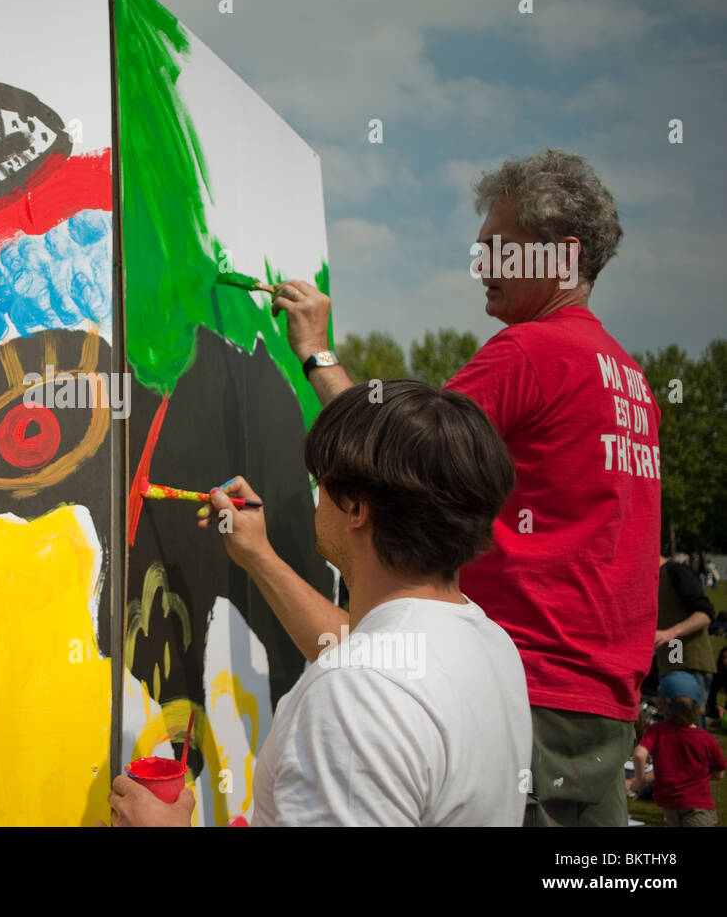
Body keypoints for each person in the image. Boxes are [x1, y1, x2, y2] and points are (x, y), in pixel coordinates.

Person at [268, 149, 661, 826]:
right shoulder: (627, 376)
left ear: (559, 256)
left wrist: (315, 351)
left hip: (531, 686)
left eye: (497, 249)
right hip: (601, 700)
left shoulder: (532, 351)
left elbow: (395, 445)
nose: (480, 267)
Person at [107, 381, 531, 826]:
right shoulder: (489, 644)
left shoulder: (355, 698)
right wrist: (260, 557)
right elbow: (367, 655)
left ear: (355, 508)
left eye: (320, 483)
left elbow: (364, 679)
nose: (316, 497)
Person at [629, 670, 726, 827]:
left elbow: (640, 754)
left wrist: (639, 781)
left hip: (668, 800)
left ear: (662, 704)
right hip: (697, 803)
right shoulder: (706, 738)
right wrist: (715, 776)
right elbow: (719, 769)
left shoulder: (657, 731)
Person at [654, 550, 716, 728]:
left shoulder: (676, 571)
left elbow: (704, 614)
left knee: (690, 729)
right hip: (674, 660)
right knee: (675, 731)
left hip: (690, 663)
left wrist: (670, 633)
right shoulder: (651, 579)